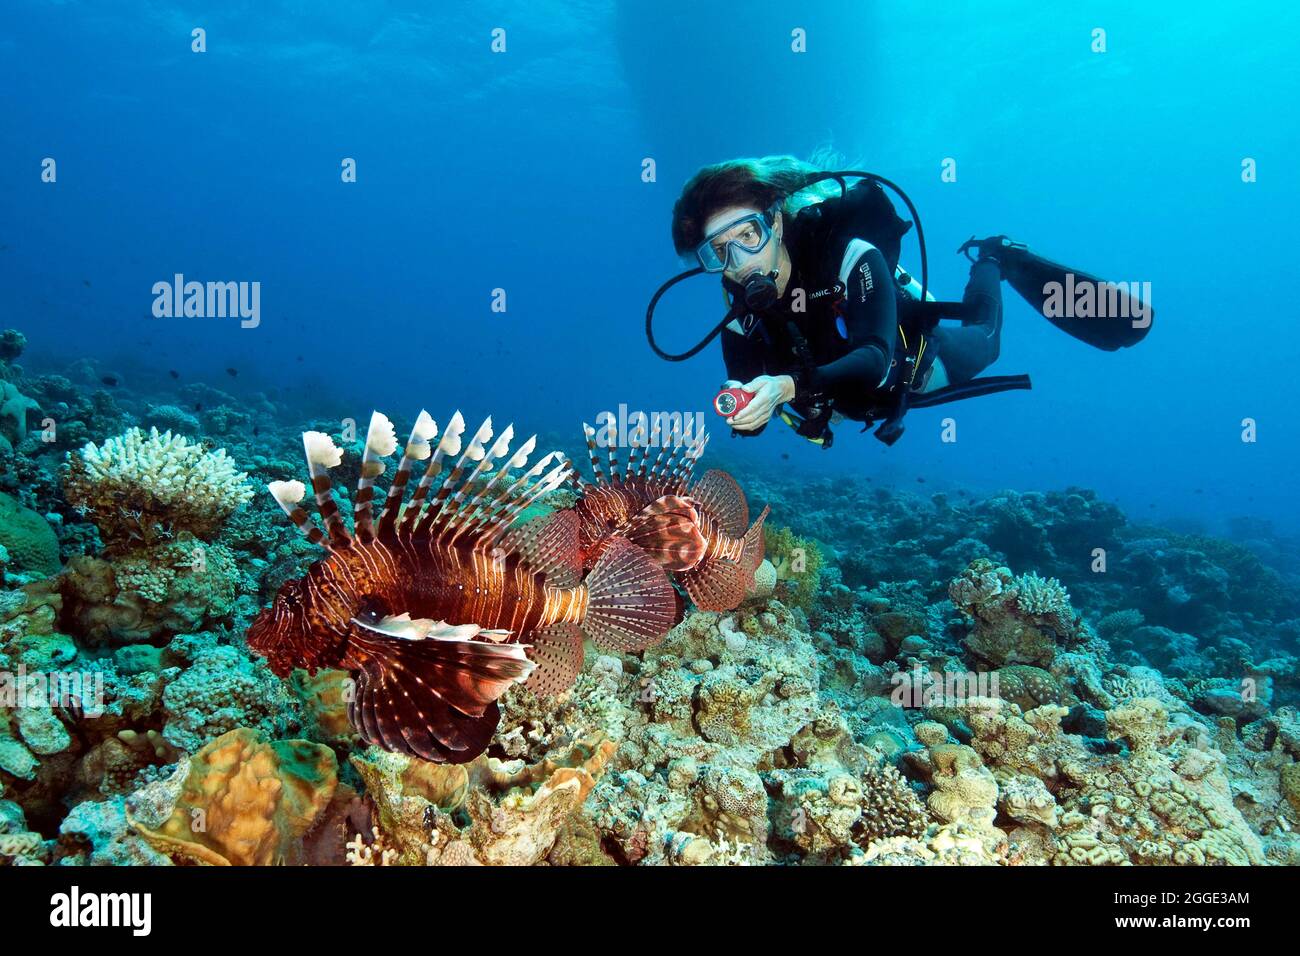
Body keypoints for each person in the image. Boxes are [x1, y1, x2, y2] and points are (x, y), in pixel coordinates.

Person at [661, 157, 1150, 447]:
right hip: (845, 404)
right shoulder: (740, 305)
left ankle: (996, 260)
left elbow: (874, 357)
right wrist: (745, 407)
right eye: (718, 251)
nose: (740, 261)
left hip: (914, 362)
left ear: (778, 221)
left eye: (749, 233)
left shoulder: (850, 254)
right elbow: (750, 421)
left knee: (987, 337)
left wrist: (785, 386)